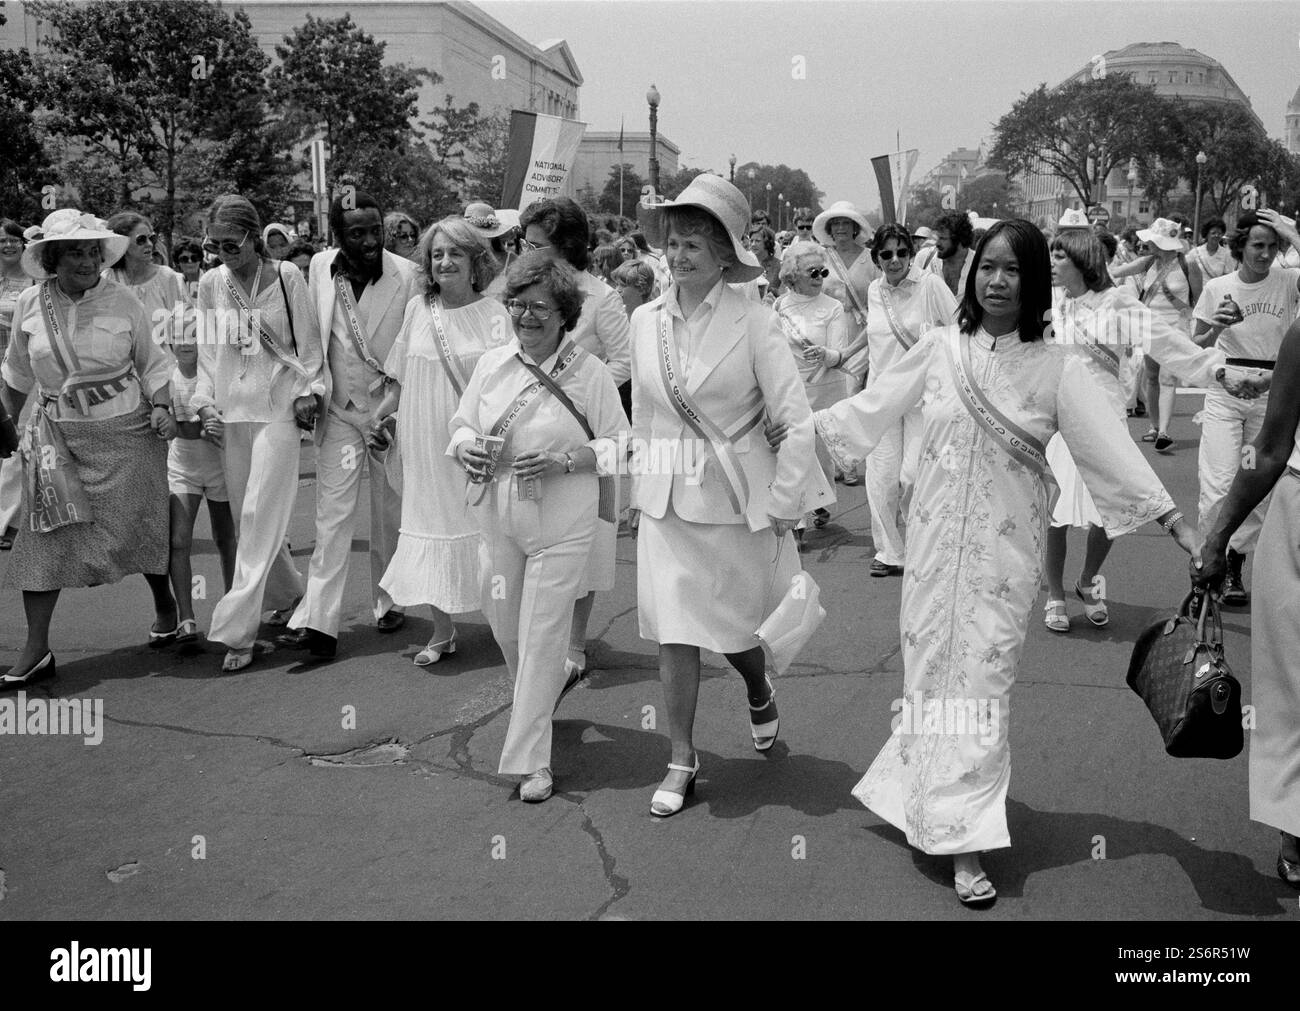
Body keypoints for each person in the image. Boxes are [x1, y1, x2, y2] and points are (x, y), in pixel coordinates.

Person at [813, 219, 1200, 906]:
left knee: (981, 688)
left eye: (1012, 270)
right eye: (987, 267)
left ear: (1034, 282)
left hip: (1003, 561)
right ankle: (929, 802)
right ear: (971, 276)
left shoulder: (1058, 368)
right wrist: (787, 431)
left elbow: (1111, 449)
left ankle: (966, 837)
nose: (996, 280)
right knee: (931, 679)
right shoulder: (938, 349)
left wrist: (1178, 523)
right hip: (931, 553)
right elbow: (868, 410)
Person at [629, 175, 832, 817]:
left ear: (724, 255)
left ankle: (757, 685)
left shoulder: (757, 320)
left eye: (696, 242)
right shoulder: (644, 320)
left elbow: (795, 419)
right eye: (675, 241)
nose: (681, 254)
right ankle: (681, 756)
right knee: (675, 628)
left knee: (736, 629)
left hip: (736, 494)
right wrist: (640, 490)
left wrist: (785, 501)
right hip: (667, 502)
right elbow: (647, 418)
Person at [448, 252, 627, 802]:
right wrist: (467, 450)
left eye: (540, 308)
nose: (527, 317)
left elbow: (622, 445)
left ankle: (533, 762)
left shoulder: (590, 371)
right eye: (519, 306)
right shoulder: (492, 364)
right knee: (505, 625)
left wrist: (567, 461)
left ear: (565, 313)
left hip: (564, 518)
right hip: (499, 512)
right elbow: (460, 424)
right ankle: (544, 691)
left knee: (543, 631)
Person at [0, 211, 177, 689]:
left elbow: (154, 364)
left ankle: (167, 606)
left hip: (127, 436)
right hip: (57, 440)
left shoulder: (123, 301)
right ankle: (36, 651)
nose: (86, 260)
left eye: (92, 251)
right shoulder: (32, 304)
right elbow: (16, 374)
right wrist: (2, 423)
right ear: (52, 258)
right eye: (74, 251)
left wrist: (163, 405)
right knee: (42, 540)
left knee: (139, 529)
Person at [1041, 228, 1242, 633]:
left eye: (1060, 256)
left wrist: (1216, 370)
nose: (1053, 263)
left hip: (1106, 416)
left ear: (1081, 259)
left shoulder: (1116, 303)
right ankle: (1055, 593)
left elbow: (1167, 343)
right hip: (1061, 419)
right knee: (1055, 514)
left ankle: (1087, 581)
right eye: (1052, 254)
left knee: (1108, 510)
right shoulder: (1049, 304)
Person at [277, 190, 415, 660]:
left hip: (387, 411)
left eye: (376, 230)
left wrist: (392, 409)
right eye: (358, 233)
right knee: (332, 519)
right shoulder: (318, 268)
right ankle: (320, 623)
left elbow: (411, 349)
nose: (371, 240)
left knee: (387, 513)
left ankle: (389, 598)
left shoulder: (407, 275)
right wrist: (310, 390)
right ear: (338, 235)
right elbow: (311, 339)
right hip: (338, 410)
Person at [368, 217, 509, 665]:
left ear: (475, 263)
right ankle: (442, 630)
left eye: (455, 254)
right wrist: (381, 415)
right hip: (424, 438)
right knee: (430, 525)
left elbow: (511, 385)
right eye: (437, 254)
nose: (444, 262)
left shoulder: (495, 314)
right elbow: (399, 378)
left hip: (476, 440)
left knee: (489, 530)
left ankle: (509, 624)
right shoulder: (417, 311)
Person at [192, 195, 323, 672]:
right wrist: (203, 401)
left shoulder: (288, 278)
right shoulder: (211, 283)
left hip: (279, 412)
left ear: (254, 238)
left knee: (256, 513)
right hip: (231, 413)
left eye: (233, 243)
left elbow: (308, 345)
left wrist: (311, 388)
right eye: (215, 244)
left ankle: (237, 628)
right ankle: (293, 597)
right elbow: (208, 352)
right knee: (252, 518)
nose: (223, 252)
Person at [1193, 315, 1300, 889]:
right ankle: (1296, 825)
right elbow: (1273, 444)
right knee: (1289, 679)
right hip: (1297, 513)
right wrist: (1220, 533)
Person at [520, 197, 631, 683]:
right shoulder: (521, 289)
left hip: (584, 438)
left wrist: (582, 389)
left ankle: (574, 642)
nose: (528, 251)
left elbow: (625, 360)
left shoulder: (600, 297)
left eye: (537, 244)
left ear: (566, 246)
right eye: (526, 243)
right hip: (527, 433)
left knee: (587, 546)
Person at [1190, 209, 1300, 606]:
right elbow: (1196, 345)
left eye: (1273, 246)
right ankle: (1206, 560)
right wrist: (1216, 327)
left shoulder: (1289, 283)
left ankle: (1233, 562)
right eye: (1258, 245)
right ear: (1241, 246)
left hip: (1272, 392)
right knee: (1219, 481)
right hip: (1226, 390)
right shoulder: (1218, 287)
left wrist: (1292, 232)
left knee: (1253, 478)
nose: (1265, 254)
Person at [835, 224, 957, 576]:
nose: (895, 260)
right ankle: (889, 551)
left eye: (901, 252)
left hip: (923, 397)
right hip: (882, 396)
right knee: (881, 478)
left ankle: (920, 541)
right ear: (876, 258)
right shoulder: (874, 291)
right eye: (886, 254)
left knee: (914, 476)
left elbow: (958, 327)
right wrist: (840, 356)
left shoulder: (930, 285)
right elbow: (871, 335)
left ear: (910, 253)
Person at [166, 319, 237, 644]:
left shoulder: (215, 373)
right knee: (179, 541)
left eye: (192, 335)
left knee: (226, 540)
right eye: (178, 335)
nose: (185, 342)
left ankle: (232, 610)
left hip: (218, 466)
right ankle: (186, 619)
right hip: (182, 466)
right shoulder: (164, 376)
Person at [774, 243, 847, 542]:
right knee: (795, 450)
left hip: (825, 388)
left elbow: (840, 352)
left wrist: (826, 354)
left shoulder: (833, 307)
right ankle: (799, 518)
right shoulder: (779, 307)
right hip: (792, 389)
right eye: (812, 272)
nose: (819, 277)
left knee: (820, 452)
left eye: (823, 271)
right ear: (793, 276)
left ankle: (822, 499)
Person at [1112, 217, 1203, 452]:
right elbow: (1116, 272)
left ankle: (1164, 431)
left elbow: (1199, 298)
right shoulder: (1147, 262)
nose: (1147, 244)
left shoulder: (1188, 264)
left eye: (1151, 240)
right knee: (1151, 377)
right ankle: (1154, 426)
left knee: (1167, 378)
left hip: (1176, 328)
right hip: (1151, 327)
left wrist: (1194, 325)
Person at [814, 201, 879, 483]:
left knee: (851, 394)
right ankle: (832, 462)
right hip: (829, 332)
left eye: (845, 223)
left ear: (855, 228)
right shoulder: (822, 257)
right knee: (832, 398)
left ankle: (849, 463)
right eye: (835, 224)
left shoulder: (870, 259)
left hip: (863, 333)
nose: (840, 228)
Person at [104, 212, 187, 348]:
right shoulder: (107, 278)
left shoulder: (166, 277)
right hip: (124, 364)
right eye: (141, 240)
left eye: (151, 238)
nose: (149, 244)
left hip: (163, 365)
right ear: (121, 243)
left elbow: (181, 327)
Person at [0, 218, 34, 550]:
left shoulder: (34, 281)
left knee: (12, 440)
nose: (8, 245)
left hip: (19, 368)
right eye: (2, 240)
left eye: (14, 240)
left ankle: (7, 522)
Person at [927, 210, 976, 296]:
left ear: (959, 240)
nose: (937, 243)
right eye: (938, 237)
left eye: (942, 238)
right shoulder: (929, 260)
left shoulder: (978, 263)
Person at [747, 225, 782, 298]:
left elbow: (783, 294)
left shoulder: (779, 266)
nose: (753, 244)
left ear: (767, 243)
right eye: (751, 240)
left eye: (757, 241)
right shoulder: (746, 263)